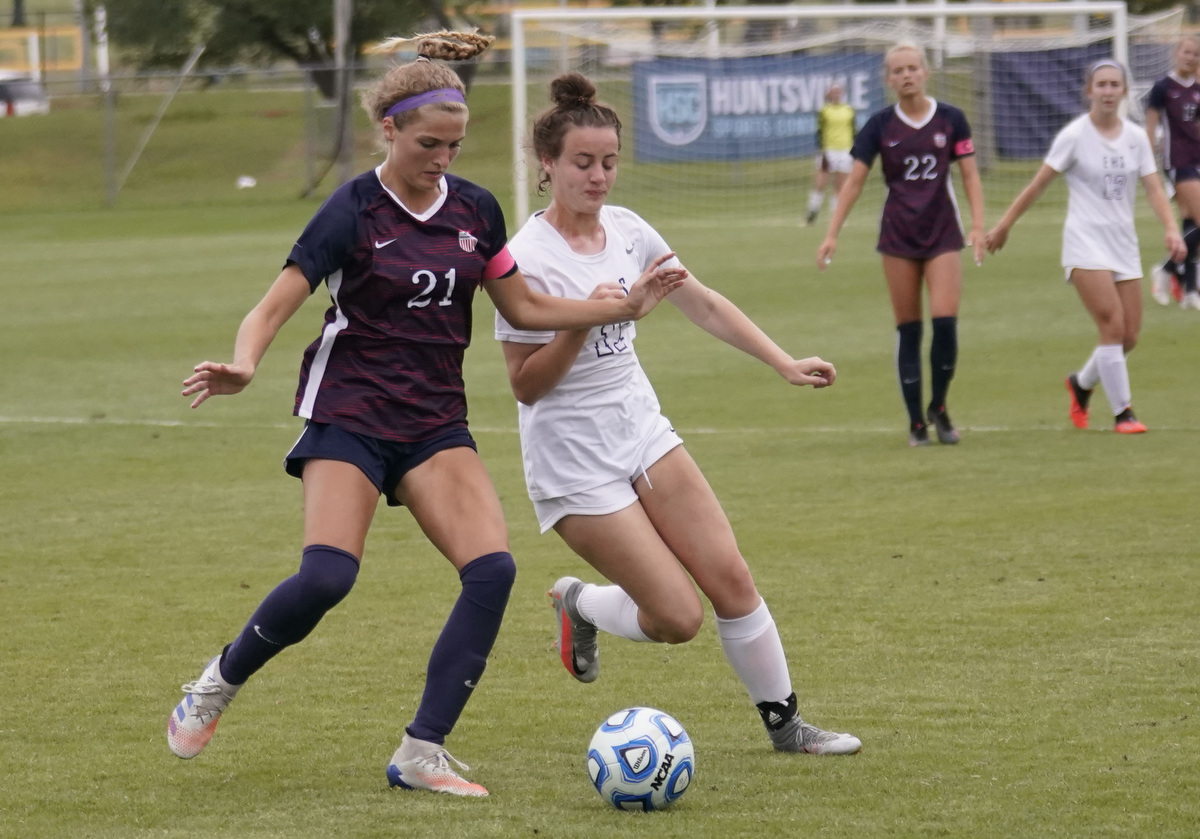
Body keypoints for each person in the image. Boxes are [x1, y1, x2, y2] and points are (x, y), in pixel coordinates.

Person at [165, 32, 684, 798]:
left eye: (455, 145)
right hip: (349, 412)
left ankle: (421, 750)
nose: (442, 158)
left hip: (434, 421)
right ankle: (219, 679)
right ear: (390, 129)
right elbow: (273, 305)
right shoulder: (352, 208)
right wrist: (244, 363)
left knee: (493, 569)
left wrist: (615, 307)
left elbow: (523, 305)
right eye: (428, 144)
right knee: (328, 576)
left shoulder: (476, 208)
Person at [495, 73, 862, 757]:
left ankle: (788, 727)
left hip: (642, 432)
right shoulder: (523, 259)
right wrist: (590, 318)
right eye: (582, 162)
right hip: (574, 460)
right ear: (547, 163)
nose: (598, 176)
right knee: (677, 617)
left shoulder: (629, 229)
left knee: (732, 579)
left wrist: (781, 361)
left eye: (609, 162)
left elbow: (703, 302)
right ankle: (580, 601)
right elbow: (526, 386)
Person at [986, 60, 1185, 434]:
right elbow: (1037, 185)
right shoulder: (1074, 135)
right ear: (1089, 90)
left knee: (1129, 336)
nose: (1108, 91)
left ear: (1124, 91)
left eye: (1114, 85)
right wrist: (1003, 226)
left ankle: (1080, 384)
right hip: (1085, 242)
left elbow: (1154, 188)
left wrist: (1172, 228)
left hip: (1123, 244)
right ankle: (1124, 414)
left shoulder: (1136, 138)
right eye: (1101, 84)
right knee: (1111, 324)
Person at [816, 43, 985, 447]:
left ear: (925, 72)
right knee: (909, 329)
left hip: (943, 233)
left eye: (913, 68)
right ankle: (915, 423)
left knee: (945, 323)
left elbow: (970, 175)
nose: (907, 75)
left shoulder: (951, 119)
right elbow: (854, 182)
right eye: (898, 70)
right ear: (888, 79)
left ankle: (939, 407)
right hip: (898, 235)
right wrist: (832, 233)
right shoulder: (879, 125)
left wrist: (978, 226)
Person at [1145, 35, 1200, 309]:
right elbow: (1149, 128)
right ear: (1176, 53)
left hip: (1197, 159)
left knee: (1191, 223)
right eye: (1186, 52)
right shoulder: (1163, 87)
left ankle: (1190, 292)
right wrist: (1147, 165)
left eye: (1196, 54)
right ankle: (1166, 269)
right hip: (1177, 161)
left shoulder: (1198, 88)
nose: (1190, 57)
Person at [805, 83, 857, 226]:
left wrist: (855, 149)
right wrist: (821, 151)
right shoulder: (824, 111)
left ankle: (837, 216)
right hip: (828, 150)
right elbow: (819, 132)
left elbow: (854, 130)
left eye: (838, 92)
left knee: (840, 186)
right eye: (833, 92)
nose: (836, 94)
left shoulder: (849, 110)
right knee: (820, 183)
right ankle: (812, 212)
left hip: (845, 150)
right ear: (829, 94)